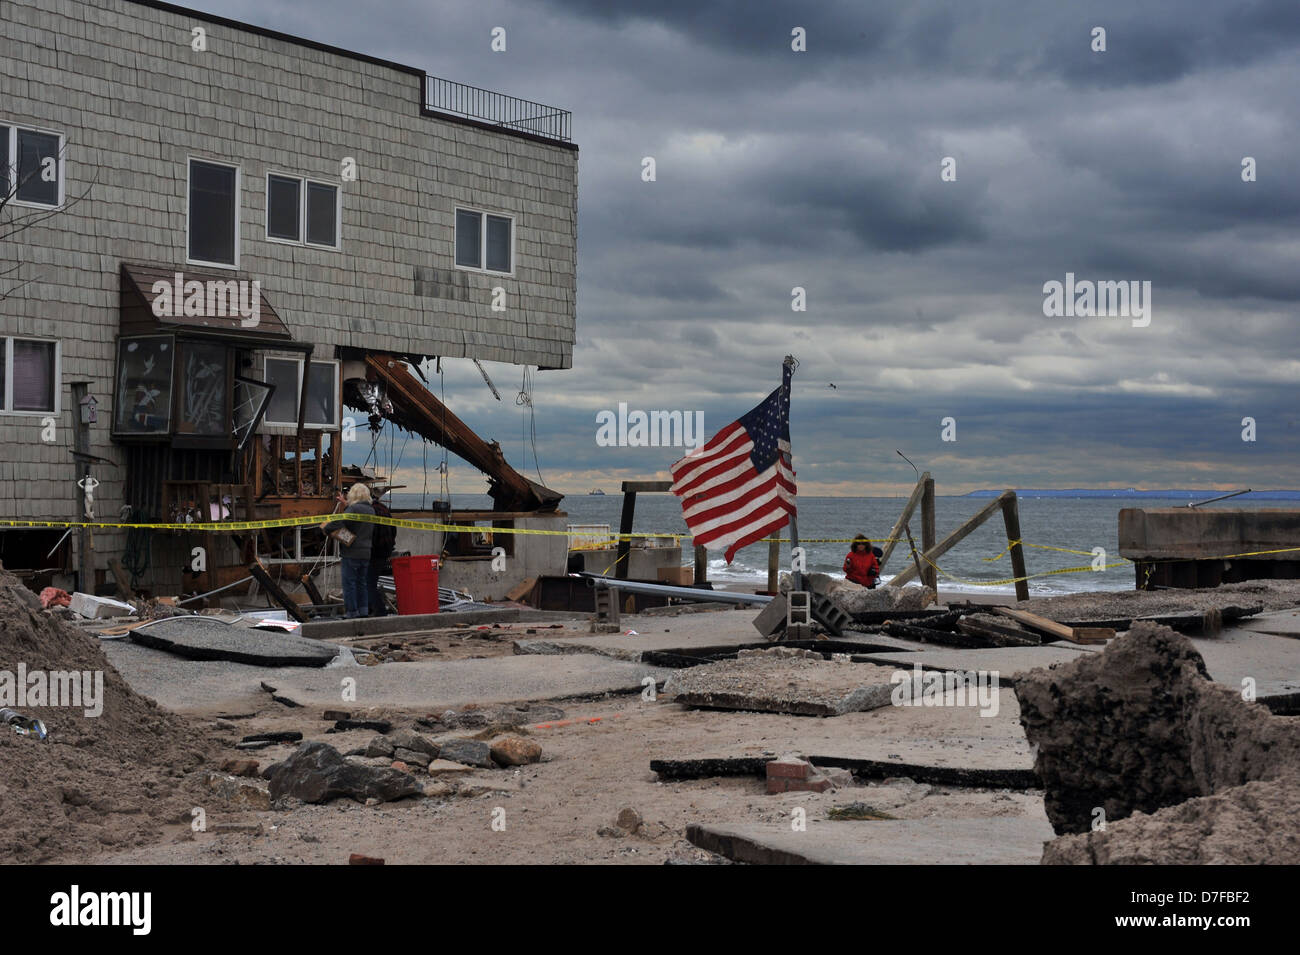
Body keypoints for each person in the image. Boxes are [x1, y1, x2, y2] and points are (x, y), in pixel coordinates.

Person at [323, 483, 375, 618]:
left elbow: (338, 522)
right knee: (362, 583)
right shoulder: (371, 510)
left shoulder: (353, 508)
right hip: (366, 552)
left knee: (349, 583)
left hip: (351, 552)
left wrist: (327, 528)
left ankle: (352, 612)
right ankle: (363, 610)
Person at [367, 489, 398, 617]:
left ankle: (379, 611)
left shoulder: (369, 511)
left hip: (374, 552)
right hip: (385, 551)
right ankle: (371, 610)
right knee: (370, 582)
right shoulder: (383, 508)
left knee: (368, 583)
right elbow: (393, 529)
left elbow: (370, 533)